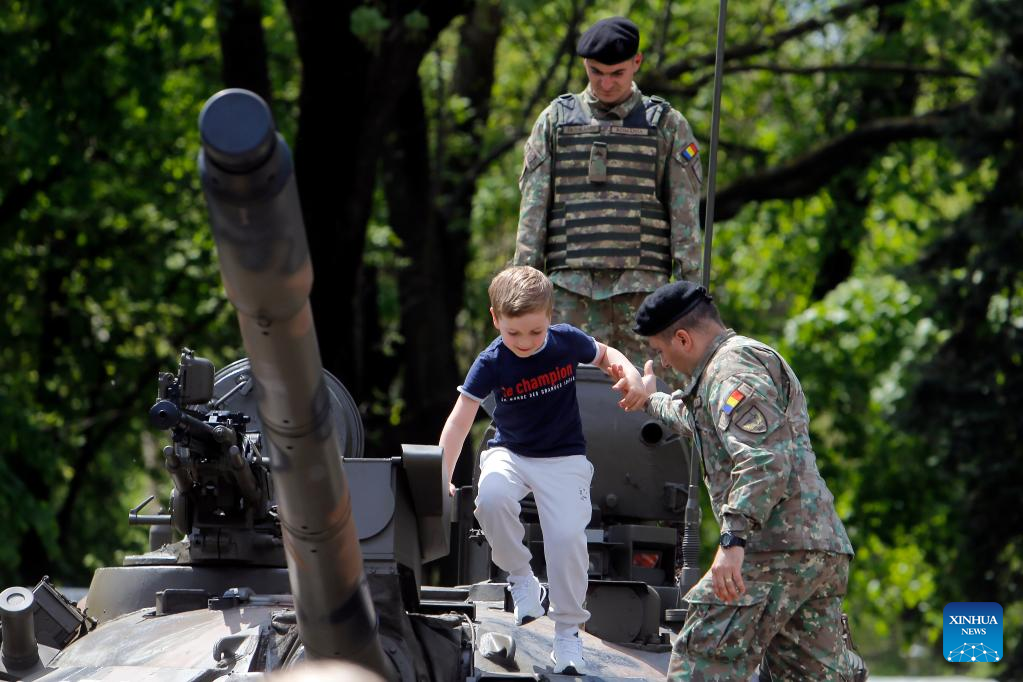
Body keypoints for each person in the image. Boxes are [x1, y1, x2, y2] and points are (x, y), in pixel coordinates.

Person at [609, 281, 864, 681]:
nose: (666, 363)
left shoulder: (732, 370)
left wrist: (733, 540)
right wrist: (649, 399)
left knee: (701, 661)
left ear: (682, 338)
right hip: (815, 550)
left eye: (662, 352)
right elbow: (698, 420)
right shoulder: (726, 370)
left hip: (772, 549)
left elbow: (764, 460)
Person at [439, 265, 642, 675]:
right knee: (491, 499)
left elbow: (606, 356)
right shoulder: (491, 361)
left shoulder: (565, 341)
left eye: (535, 332)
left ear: (550, 316)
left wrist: (631, 375)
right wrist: (439, 473)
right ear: (496, 320)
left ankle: (567, 632)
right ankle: (521, 576)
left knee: (567, 538)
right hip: (510, 452)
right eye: (514, 334)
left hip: (564, 458)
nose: (526, 343)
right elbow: (461, 419)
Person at [513, 15, 703, 371]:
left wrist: (694, 298)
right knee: (561, 394)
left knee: (651, 397)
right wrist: (521, 295)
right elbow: (533, 213)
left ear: (637, 63)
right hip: (570, 291)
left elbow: (684, 216)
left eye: (616, 73)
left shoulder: (665, 124)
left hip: (642, 291)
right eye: (596, 71)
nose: (606, 83)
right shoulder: (554, 121)